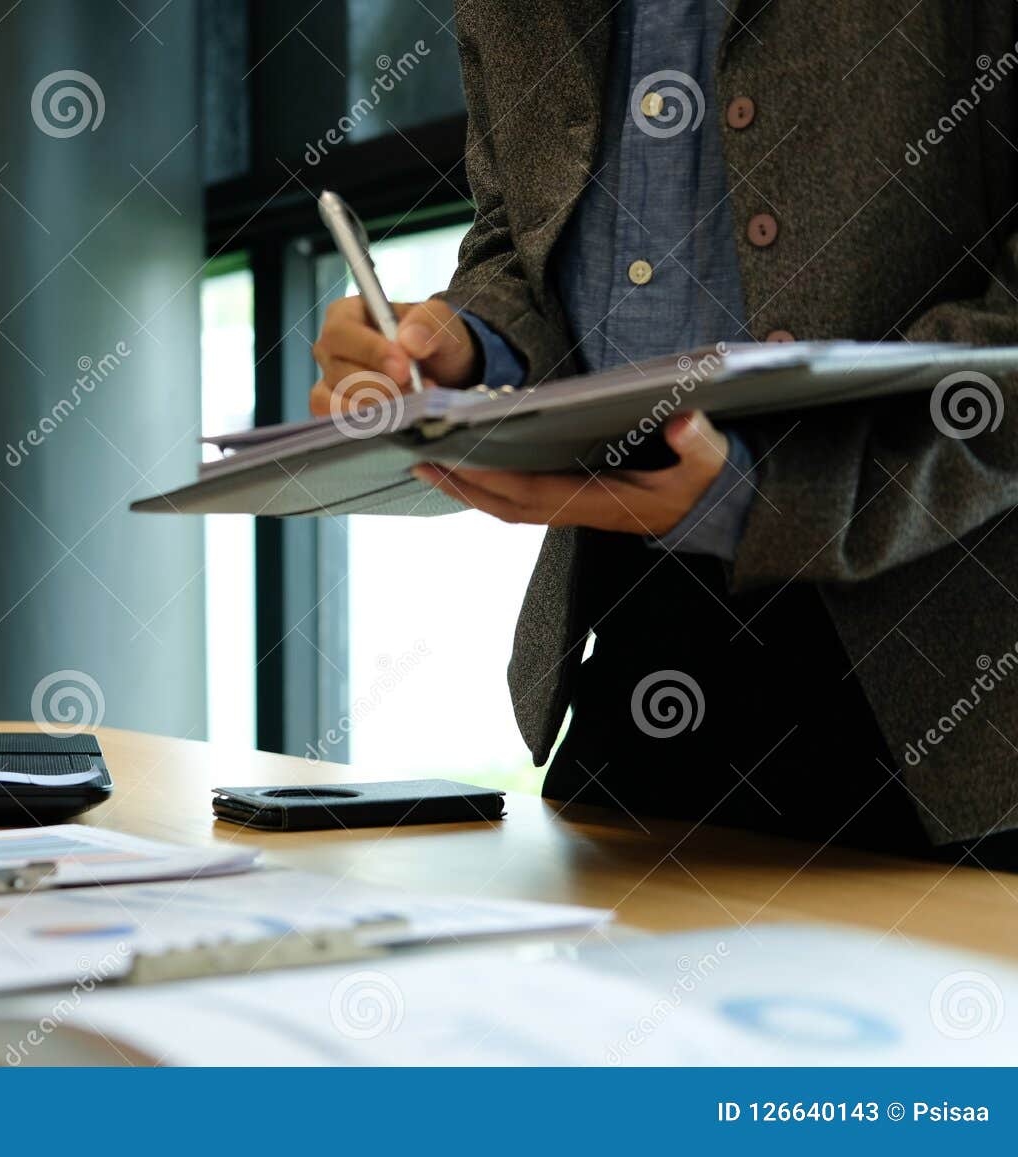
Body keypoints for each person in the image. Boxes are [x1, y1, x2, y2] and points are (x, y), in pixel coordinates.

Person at [310, 2, 1018, 867]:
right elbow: (515, 238)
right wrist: (465, 347)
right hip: (631, 643)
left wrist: (783, 488)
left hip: (959, 696)